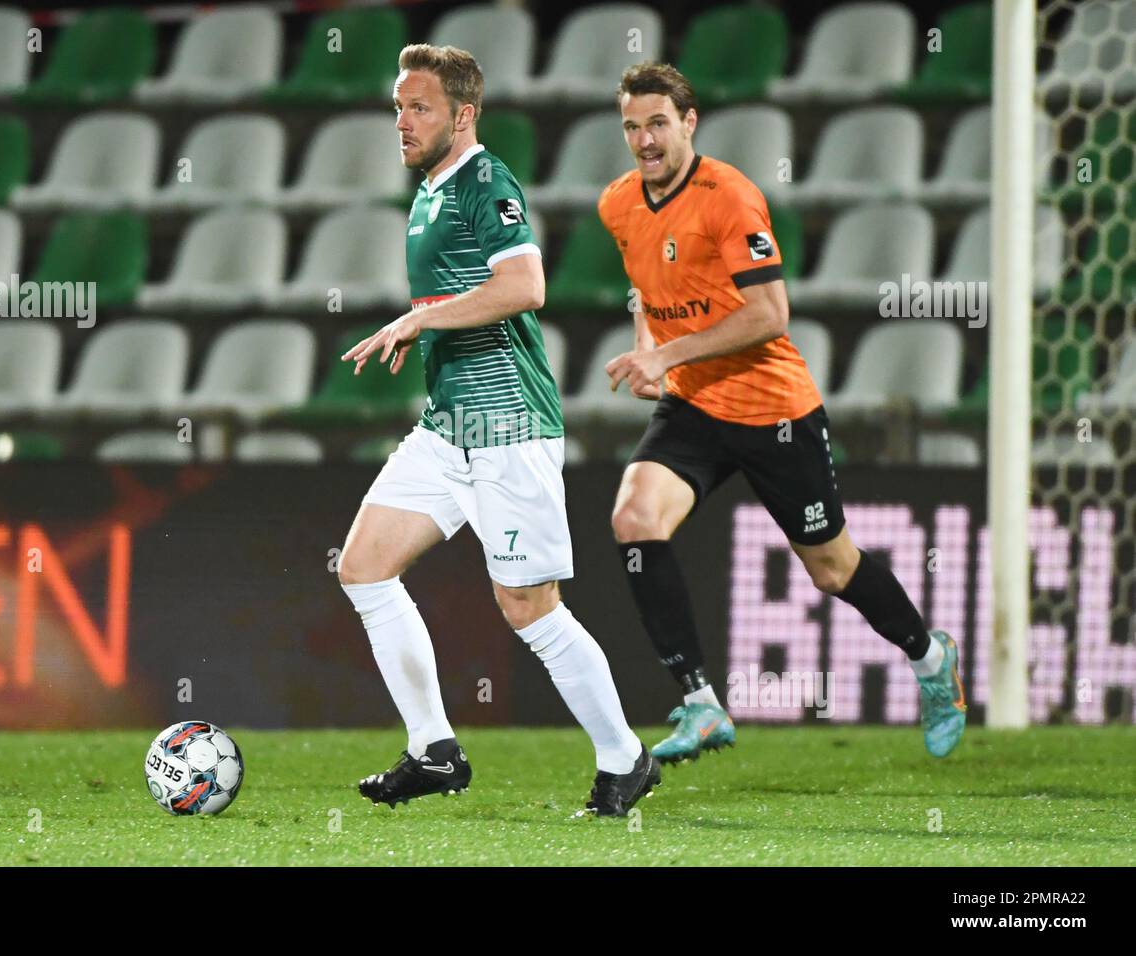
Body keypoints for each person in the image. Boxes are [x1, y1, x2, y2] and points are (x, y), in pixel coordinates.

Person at [596, 63, 966, 764]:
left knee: (831, 570)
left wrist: (666, 354)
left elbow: (770, 314)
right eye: (632, 126)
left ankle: (928, 658)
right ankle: (702, 703)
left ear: (689, 122)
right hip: (695, 405)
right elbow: (647, 290)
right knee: (634, 518)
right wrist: (653, 353)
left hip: (775, 411)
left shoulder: (729, 197)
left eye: (657, 124)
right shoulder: (617, 204)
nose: (643, 140)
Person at [337, 44, 658, 816]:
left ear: (463, 114)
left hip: (509, 422)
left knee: (529, 608)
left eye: (419, 108)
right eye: (397, 108)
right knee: (363, 568)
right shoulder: (427, 191)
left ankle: (625, 758)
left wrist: (419, 319)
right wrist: (427, 323)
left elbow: (525, 285)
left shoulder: (487, 181)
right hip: (450, 424)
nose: (403, 123)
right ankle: (434, 750)